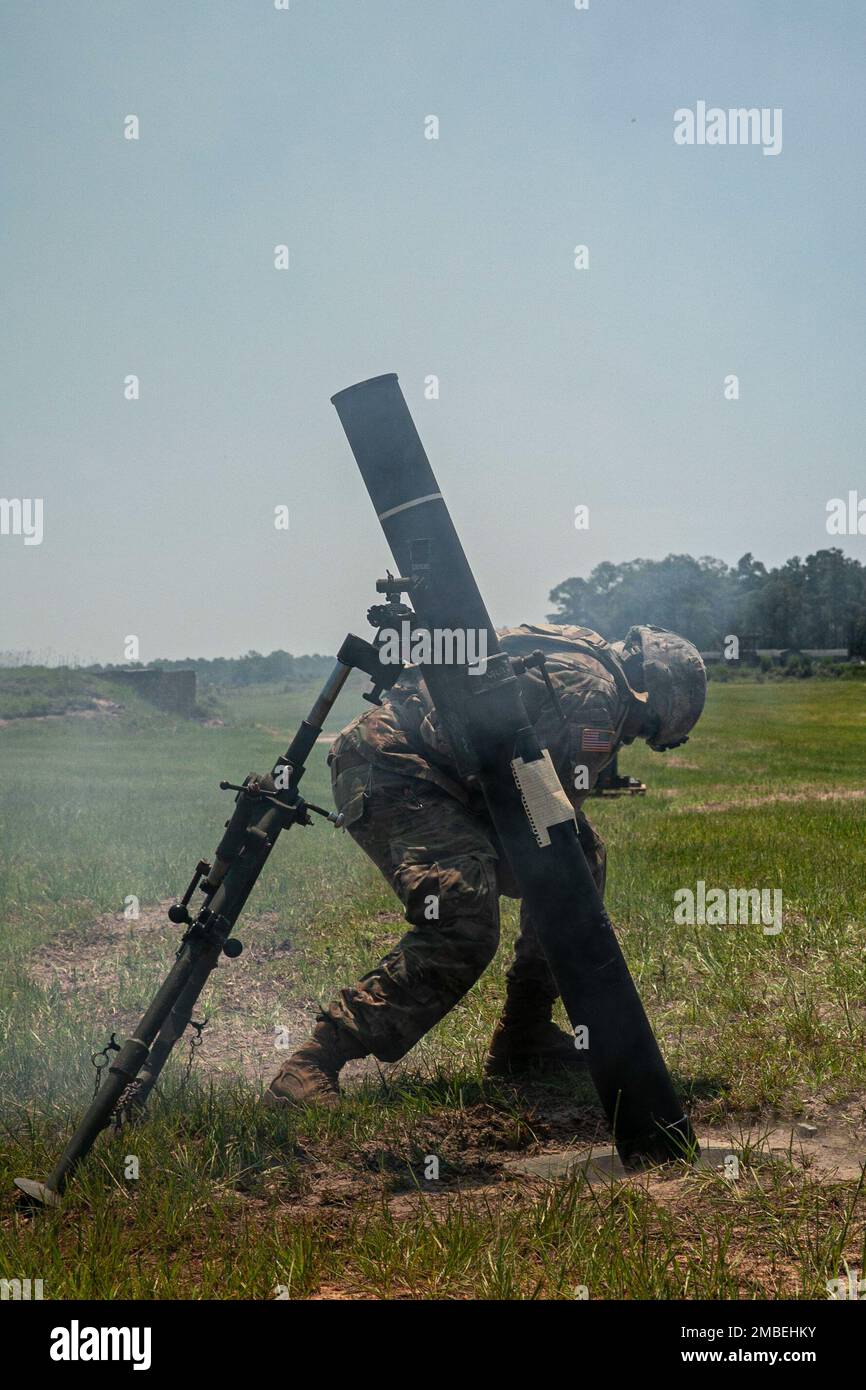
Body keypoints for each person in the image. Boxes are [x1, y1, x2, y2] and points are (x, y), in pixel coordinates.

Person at [264, 623, 707, 1107]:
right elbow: (547, 813)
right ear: (650, 695)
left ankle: (524, 1035)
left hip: (428, 771)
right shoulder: (598, 697)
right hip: (395, 768)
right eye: (644, 729)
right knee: (464, 917)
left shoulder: (578, 651)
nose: (632, 736)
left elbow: (541, 810)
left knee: (579, 858)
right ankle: (311, 1062)